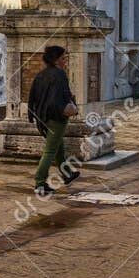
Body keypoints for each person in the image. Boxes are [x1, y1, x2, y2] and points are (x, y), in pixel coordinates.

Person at [28, 44, 78, 196]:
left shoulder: (40, 75)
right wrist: (71, 108)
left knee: (58, 146)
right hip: (56, 118)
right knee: (50, 150)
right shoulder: (60, 74)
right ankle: (40, 183)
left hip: (43, 117)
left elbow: (32, 98)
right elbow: (63, 97)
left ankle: (67, 173)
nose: (65, 61)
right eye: (63, 58)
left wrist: (34, 116)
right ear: (56, 60)